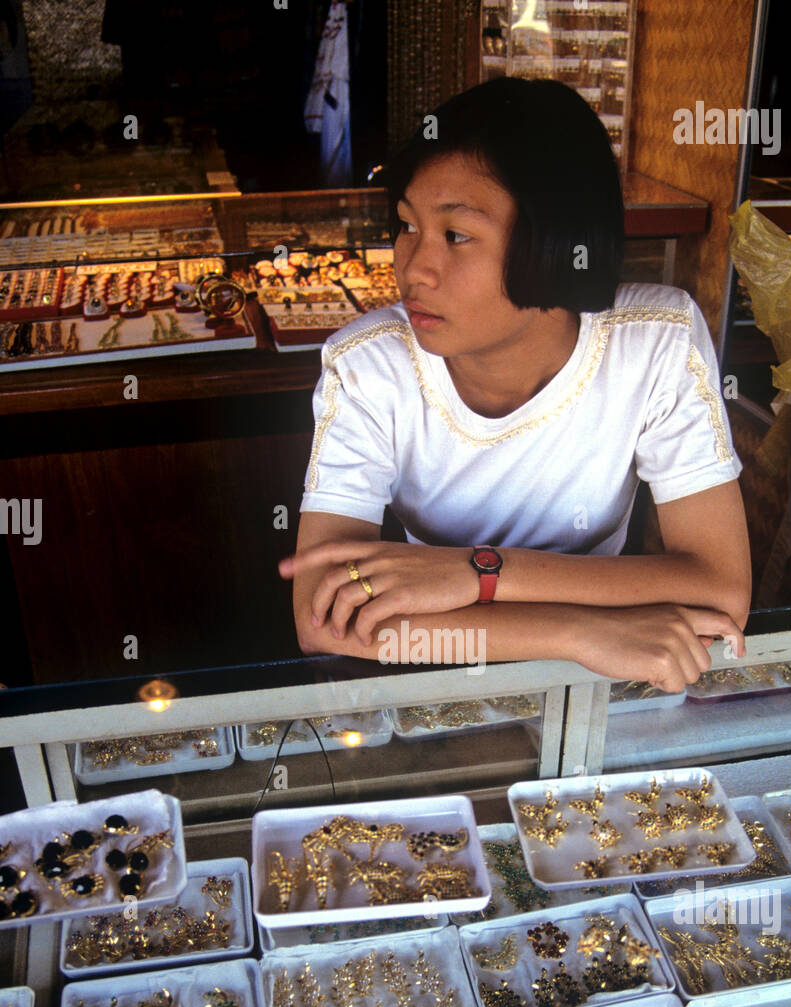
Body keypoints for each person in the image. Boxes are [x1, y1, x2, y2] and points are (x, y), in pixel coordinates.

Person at [279, 78, 751, 692]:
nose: (413, 268)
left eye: (456, 235)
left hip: (607, 673)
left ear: (553, 243)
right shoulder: (368, 365)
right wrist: (574, 634)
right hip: (505, 668)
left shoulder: (654, 341)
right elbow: (325, 623)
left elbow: (720, 590)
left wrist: (479, 573)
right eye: (405, 226)